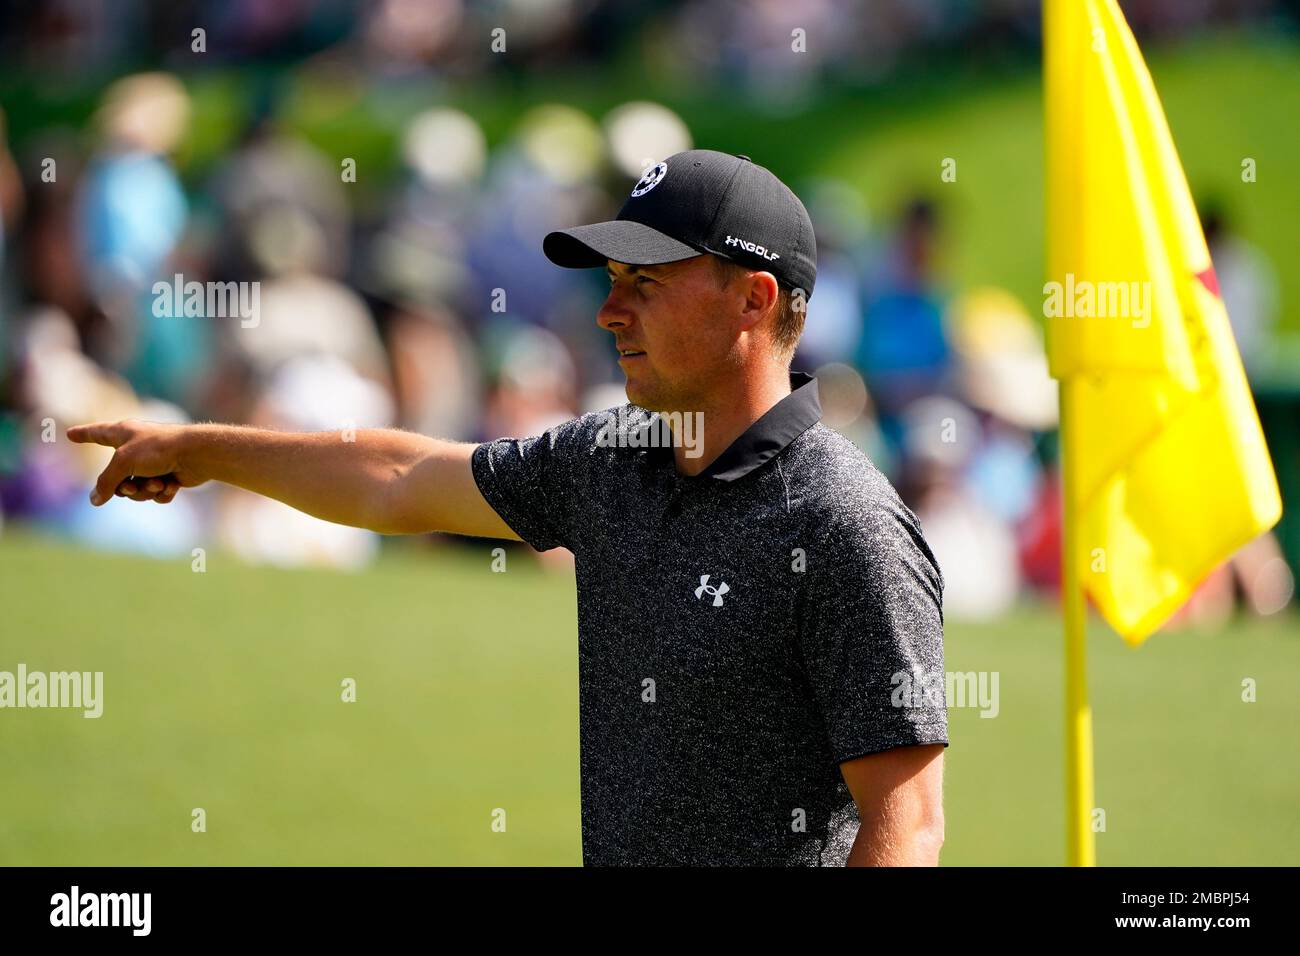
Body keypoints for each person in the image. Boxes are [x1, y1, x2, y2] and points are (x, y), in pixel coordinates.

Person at [67, 149, 948, 866]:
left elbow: (905, 830)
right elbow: (399, 479)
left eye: (644, 283)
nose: (608, 312)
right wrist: (200, 450)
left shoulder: (844, 522)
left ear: (752, 299)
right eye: (609, 279)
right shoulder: (610, 459)